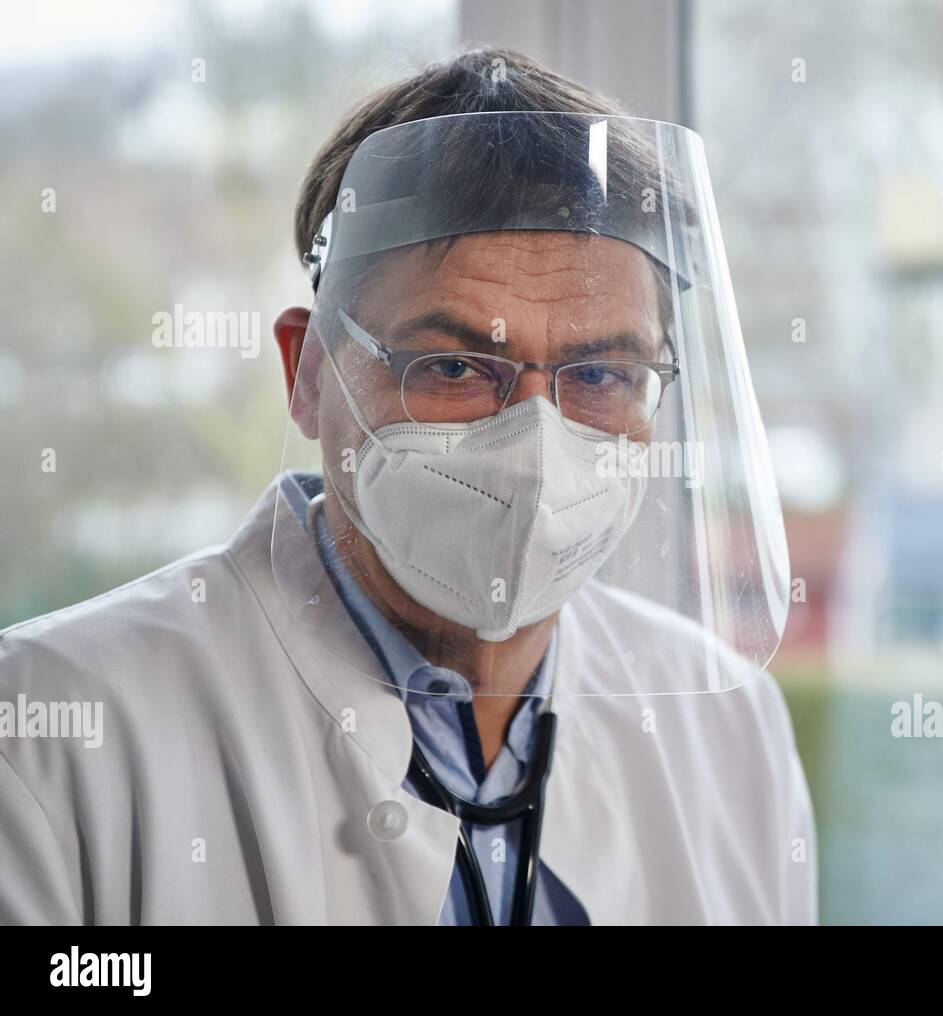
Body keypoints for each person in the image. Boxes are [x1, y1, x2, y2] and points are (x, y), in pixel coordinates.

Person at [0, 47, 816, 925]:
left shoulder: (730, 732)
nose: (535, 445)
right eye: (456, 364)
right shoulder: (48, 732)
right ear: (308, 374)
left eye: (601, 374)